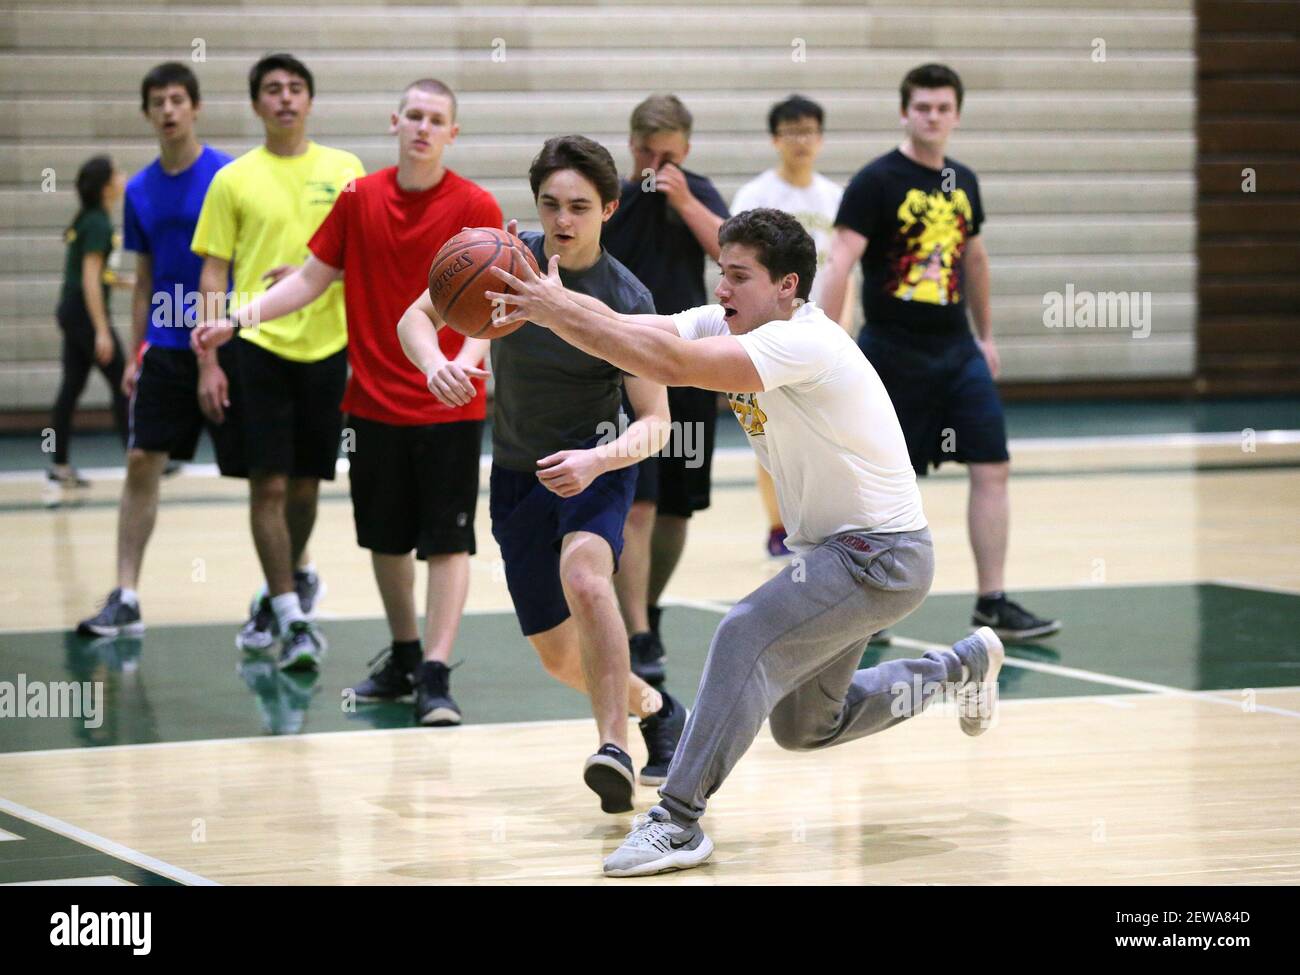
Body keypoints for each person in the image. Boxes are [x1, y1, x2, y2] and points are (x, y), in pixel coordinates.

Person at [487, 207, 1007, 877]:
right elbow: (641, 331)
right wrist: (550, 306)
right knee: (806, 725)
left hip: (879, 555)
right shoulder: (732, 321)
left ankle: (676, 820)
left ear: (787, 286)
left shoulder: (802, 342)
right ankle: (958, 667)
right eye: (720, 273)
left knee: (744, 631)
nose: (722, 289)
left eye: (739, 276)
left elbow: (667, 362)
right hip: (838, 553)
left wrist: (556, 309)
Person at [192, 79, 500, 725]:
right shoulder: (359, 196)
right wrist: (235, 321)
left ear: (452, 133)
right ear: (394, 120)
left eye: (436, 118)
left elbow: (490, 312)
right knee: (386, 541)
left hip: (449, 404)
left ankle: (438, 674)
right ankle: (407, 656)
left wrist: (464, 367)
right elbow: (308, 280)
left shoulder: (475, 204)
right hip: (372, 404)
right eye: (412, 114)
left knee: (447, 543)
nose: (422, 126)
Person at [397, 135, 686, 813]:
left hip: (596, 464)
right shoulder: (501, 259)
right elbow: (417, 316)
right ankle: (659, 709)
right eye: (551, 204)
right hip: (518, 473)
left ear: (609, 208)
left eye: (579, 206)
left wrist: (596, 459)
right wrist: (433, 364)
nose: (562, 219)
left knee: (586, 578)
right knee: (560, 659)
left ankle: (611, 747)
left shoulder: (624, 296)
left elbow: (656, 422)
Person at [817, 63, 1061, 642]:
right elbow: (839, 260)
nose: (932, 116)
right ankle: (866, 601)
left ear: (956, 114)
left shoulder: (963, 181)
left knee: (993, 465)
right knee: (879, 478)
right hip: (890, 350)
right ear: (905, 111)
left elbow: (973, 258)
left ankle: (992, 600)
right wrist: (824, 341)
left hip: (956, 350)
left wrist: (987, 334)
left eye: (942, 108)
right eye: (922, 106)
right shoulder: (875, 181)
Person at [191, 53, 364, 669]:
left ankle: (277, 588)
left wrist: (316, 277)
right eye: (272, 90)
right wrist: (209, 360)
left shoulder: (346, 172)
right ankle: (292, 615)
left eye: (295, 89)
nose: (285, 98)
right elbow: (213, 269)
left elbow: (359, 259)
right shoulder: (233, 179)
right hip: (254, 347)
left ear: (310, 101)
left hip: (326, 346)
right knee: (266, 480)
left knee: (306, 484)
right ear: (257, 104)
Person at [76, 64, 242, 638]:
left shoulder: (227, 174)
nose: (168, 110)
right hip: (166, 347)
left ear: (195, 107)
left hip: (224, 338)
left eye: (177, 99)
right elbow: (144, 278)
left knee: (265, 472)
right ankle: (126, 595)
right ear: (147, 113)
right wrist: (136, 351)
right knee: (141, 461)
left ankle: (292, 584)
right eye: (157, 102)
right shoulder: (141, 190)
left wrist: (216, 351)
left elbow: (234, 263)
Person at [602, 93, 730, 687]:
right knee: (641, 501)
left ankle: (645, 609)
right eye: (648, 154)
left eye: (669, 155)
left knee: (678, 505)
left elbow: (731, 257)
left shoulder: (697, 193)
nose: (657, 165)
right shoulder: (614, 201)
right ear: (632, 148)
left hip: (691, 366)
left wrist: (683, 200)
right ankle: (634, 630)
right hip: (626, 369)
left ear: (687, 150)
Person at [731, 94, 846, 558]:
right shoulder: (755, 197)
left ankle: (825, 524)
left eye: (810, 131)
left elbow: (843, 270)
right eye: (792, 132)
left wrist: (842, 330)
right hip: (769, 338)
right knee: (771, 436)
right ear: (776, 139)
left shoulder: (837, 199)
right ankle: (779, 526)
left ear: (820, 138)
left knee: (826, 437)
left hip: (820, 338)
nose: (802, 141)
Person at [49, 155, 134, 489]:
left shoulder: (89, 219)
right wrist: (102, 330)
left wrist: (133, 282)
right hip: (83, 313)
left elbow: (101, 275)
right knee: (122, 379)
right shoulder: (98, 222)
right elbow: (89, 279)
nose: (124, 177)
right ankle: (138, 455)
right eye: (118, 173)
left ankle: (59, 466)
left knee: (71, 388)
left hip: (73, 310)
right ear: (106, 186)